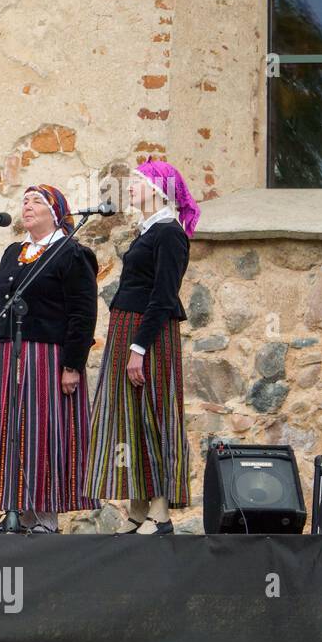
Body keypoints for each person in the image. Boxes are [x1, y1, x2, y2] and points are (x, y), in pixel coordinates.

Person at [0, 185, 100, 533]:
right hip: (7, 353)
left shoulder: (71, 253)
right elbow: (0, 308)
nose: (27, 207)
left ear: (55, 212)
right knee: (10, 429)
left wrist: (72, 364)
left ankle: (45, 516)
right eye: (25, 201)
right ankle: (17, 512)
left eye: (36, 202)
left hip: (47, 355)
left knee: (42, 429)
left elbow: (83, 314)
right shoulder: (14, 251)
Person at [84, 161, 200, 534]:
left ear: (158, 188)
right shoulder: (147, 231)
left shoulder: (168, 233)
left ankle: (161, 511)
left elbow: (164, 296)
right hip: (127, 330)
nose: (130, 188)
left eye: (137, 182)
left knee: (156, 416)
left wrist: (139, 347)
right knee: (129, 419)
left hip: (148, 335)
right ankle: (138, 505)